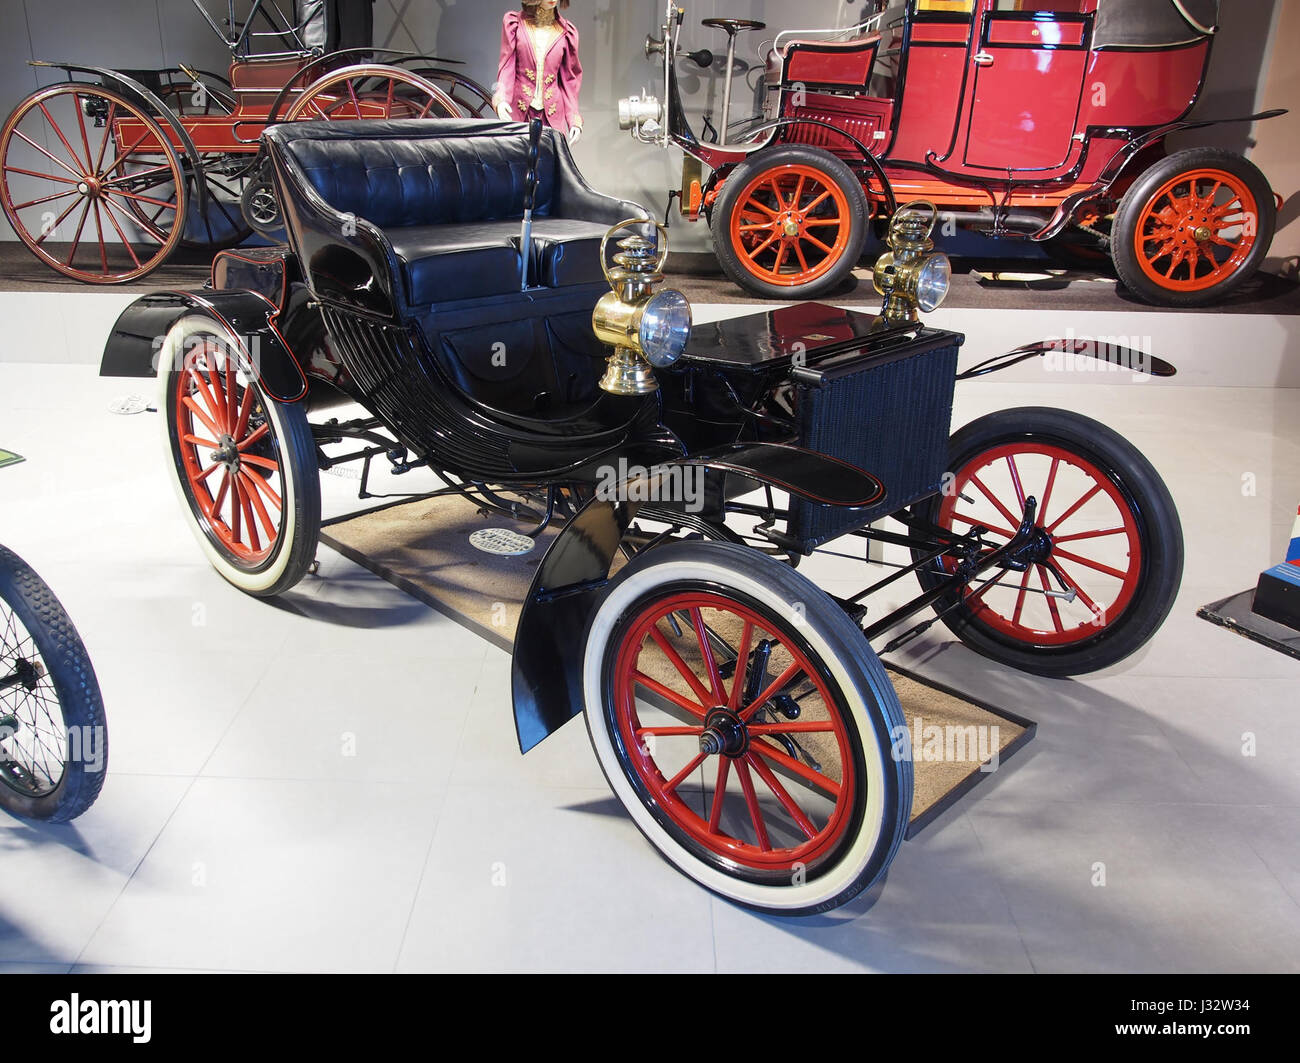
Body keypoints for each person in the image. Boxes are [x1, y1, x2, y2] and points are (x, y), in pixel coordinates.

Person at [492, 1, 584, 144]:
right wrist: (502, 99)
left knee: (548, 163)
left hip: (552, 118)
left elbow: (569, 81)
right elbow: (506, 67)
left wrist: (573, 119)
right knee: (518, 163)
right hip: (520, 112)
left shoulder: (566, 32)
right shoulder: (514, 24)